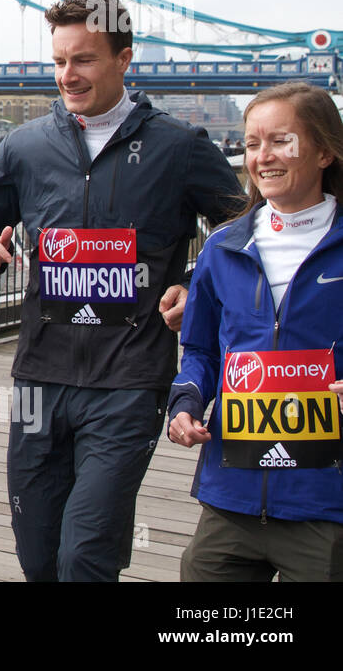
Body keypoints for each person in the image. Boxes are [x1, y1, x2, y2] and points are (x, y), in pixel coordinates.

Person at [0, 0, 244, 581]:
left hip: (129, 382)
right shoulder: (25, 145)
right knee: (38, 556)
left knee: (85, 553)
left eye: (84, 59)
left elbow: (240, 229)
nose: (69, 74)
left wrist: (195, 284)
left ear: (124, 58)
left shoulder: (179, 147)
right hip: (39, 377)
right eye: (60, 60)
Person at [169, 82, 343, 580]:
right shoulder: (222, 247)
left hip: (325, 505)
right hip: (231, 497)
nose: (262, 157)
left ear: (325, 151)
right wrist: (185, 405)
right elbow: (200, 350)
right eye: (251, 144)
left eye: (281, 141)